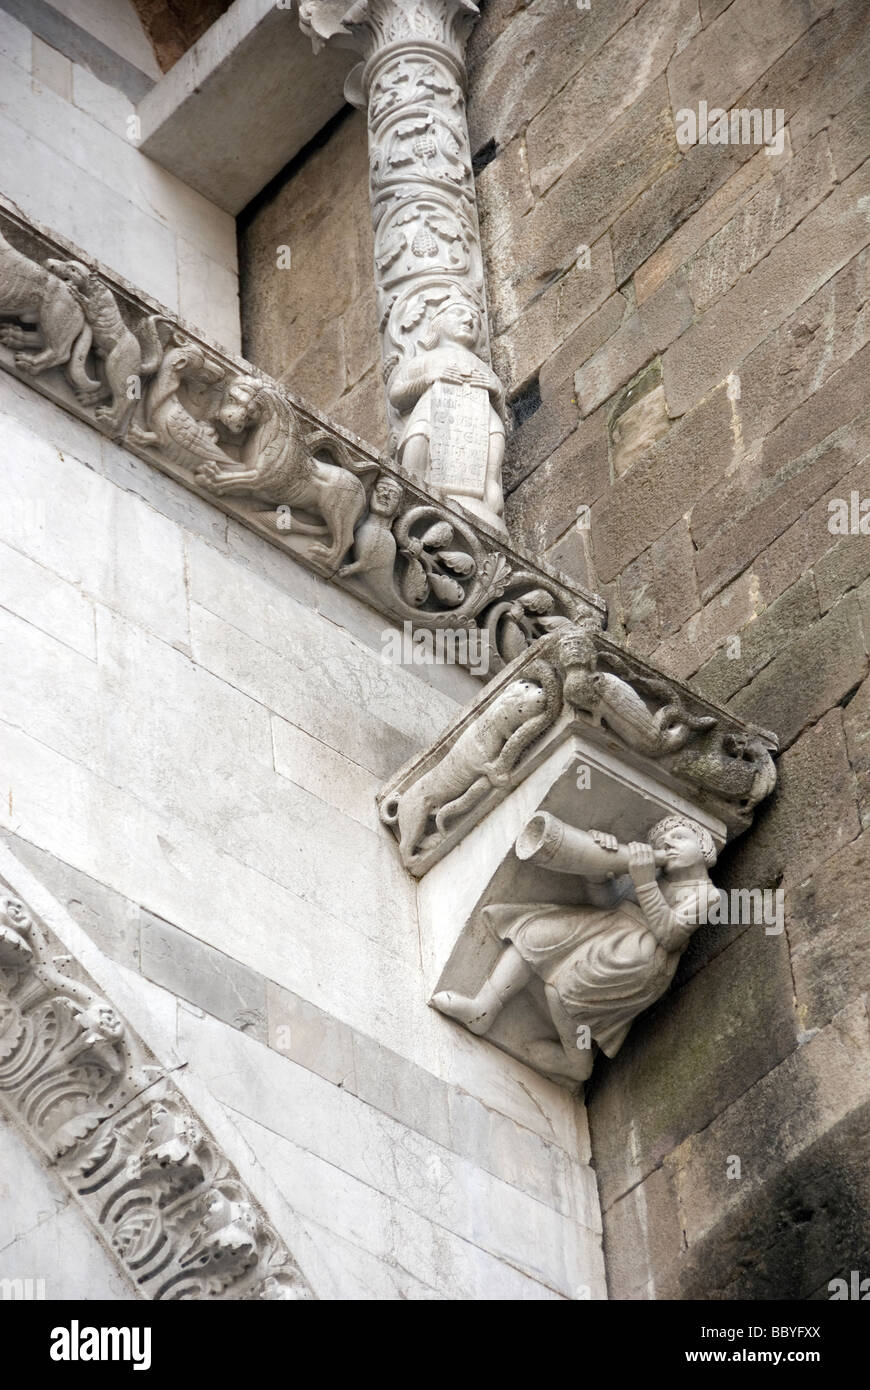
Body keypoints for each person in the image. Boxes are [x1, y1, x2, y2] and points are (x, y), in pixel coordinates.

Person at [432, 815, 720, 1083]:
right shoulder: (655, 876)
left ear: (705, 847)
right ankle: (483, 1008)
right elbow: (606, 903)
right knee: (534, 934)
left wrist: (644, 882)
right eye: (660, 843)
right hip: (608, 925)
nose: (667, 845)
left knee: (563, 992)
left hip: (640, 957)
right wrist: (597, 870)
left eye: (679, 837)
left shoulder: (706, 894)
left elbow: (669, 935)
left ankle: (576, 1061)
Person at [388, 298, 506, 533]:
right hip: (432, 415)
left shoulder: (482, 367)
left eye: (475, 319)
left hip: (480, 424)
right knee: (419, 439)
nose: (469, 320)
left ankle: (487, 502)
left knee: (491, 458)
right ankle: (416, 495)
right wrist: (429, 377)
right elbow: (396, 395)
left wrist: (495, 390)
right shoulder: (425, 359)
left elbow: (501, 410)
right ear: (438, 323)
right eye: (459, 313)